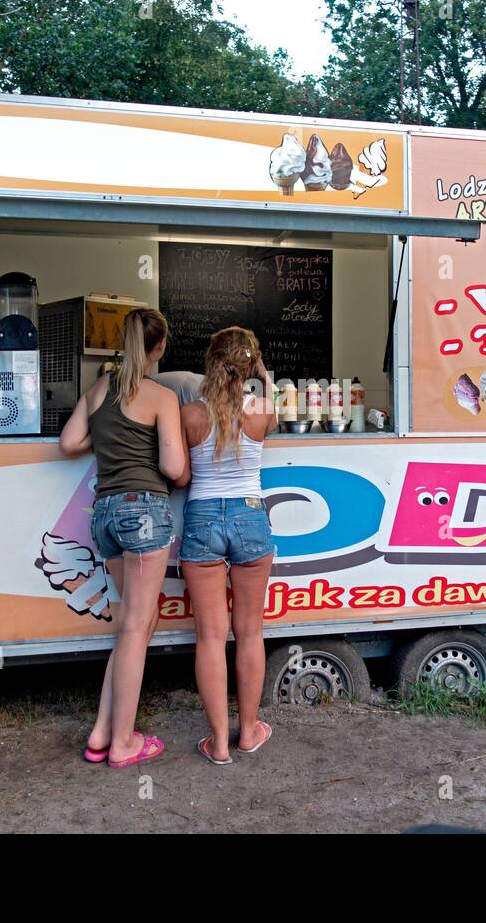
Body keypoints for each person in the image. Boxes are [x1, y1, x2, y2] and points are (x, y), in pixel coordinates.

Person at [59, 308, 187, 768]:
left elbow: (68, 443)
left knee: (136, 624)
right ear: (160, 346)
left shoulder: (98, 390)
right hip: (144, 513)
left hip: (106, 516)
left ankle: (101, 731)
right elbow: (174, 468)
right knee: (136, 626)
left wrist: (106, 436)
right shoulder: (161, 396)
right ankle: (123, 743)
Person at [177, 327, 278, 764]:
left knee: (210, 638)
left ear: (210, 361)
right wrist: (265, 378)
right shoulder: (262, 411)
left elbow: (180, 473)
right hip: (250, 516)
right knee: (250, 632)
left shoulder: (189, 415)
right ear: (250, 366)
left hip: (201, 518)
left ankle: (218, 742)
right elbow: (271, 408)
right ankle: (249, 732)